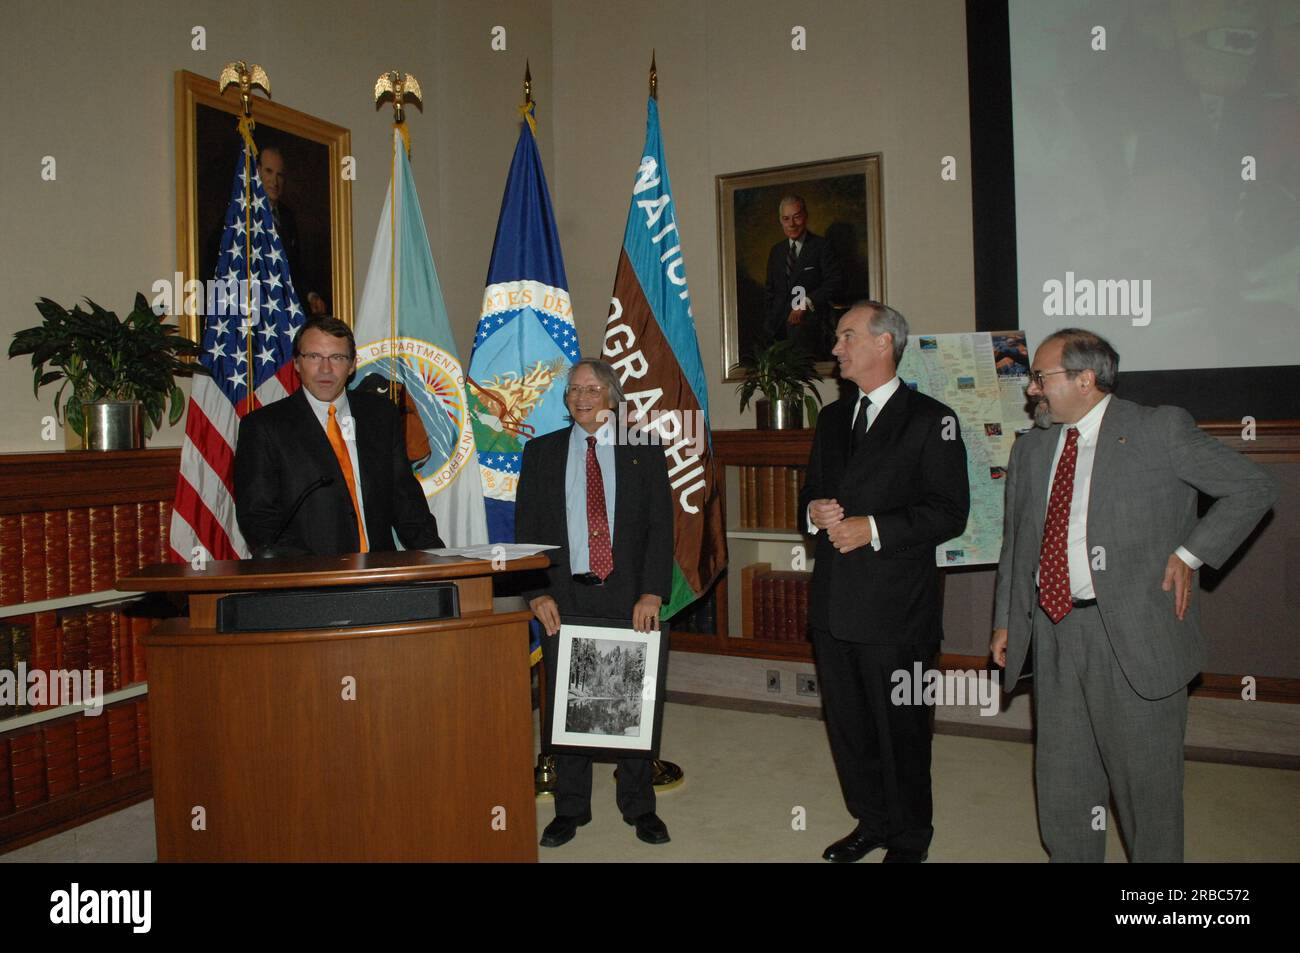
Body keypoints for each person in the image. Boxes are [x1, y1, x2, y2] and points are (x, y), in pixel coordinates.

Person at [990, 328, 1276, 862]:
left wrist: (1191, 553)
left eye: (1041, 378)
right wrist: (1009, 619)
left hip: (1133, 636)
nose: (1032, 390)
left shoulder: (1157, 428)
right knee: (1063, 782)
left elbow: (1252, 488)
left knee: (1147, 791)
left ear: (1085, 379)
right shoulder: (1031, 448)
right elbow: (1018, 542)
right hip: (1052, 632)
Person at [799, 302, 970, 863]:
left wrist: (871, 528)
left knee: (902, 732)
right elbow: (814, 493)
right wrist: (816, 511)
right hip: (833, 608)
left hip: (898, 611)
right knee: (849, 729)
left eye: (847, 336)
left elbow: (949, 512)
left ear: (883, 343)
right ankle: (870, 822)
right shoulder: (831, 419)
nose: (837, 347)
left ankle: (909, 839)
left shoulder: (932, 418)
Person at [515, 358, 674, 849]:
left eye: (591, 388)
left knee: (629, 700)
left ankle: (639, 806)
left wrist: (652, 591)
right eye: (573, 390)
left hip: (629, 594)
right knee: (571, 703)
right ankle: (570, 809)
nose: (581, 397)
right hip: (565, 593)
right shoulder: (541, 453)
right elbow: (527, 531)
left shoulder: (642, 450)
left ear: (611, 395)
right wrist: (537, 592)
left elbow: (659, 528)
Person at [234, 316, 443, 556]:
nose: (325, 369)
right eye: (313, 357)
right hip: (308, 579)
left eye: (337, 357)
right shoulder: (264, 427)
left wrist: (440, 562)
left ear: (352, 364)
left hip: (379, 575)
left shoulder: (381, 415)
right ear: (297, 364)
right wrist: (311, 572)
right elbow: (258, 518)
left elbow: (406, 502)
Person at [763, 194, 843, 355]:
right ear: (781, 221)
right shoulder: (776, 251)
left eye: (796, 217)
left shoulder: (822, 246)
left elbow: (835, 282)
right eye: (786, 219)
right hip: (776, 332)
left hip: (810, 330)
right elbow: (770, 290)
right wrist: (769, 322)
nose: (791, 224)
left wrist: (806, 302)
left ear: (805, 216)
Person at [257, 146, 328, 317]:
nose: (274, 181)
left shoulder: (287, 217)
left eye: (279, 175)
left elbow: (295, 267)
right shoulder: (241, 216)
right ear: (257, 172)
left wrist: (310, 296)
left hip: (287, 312)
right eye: (269, 171)